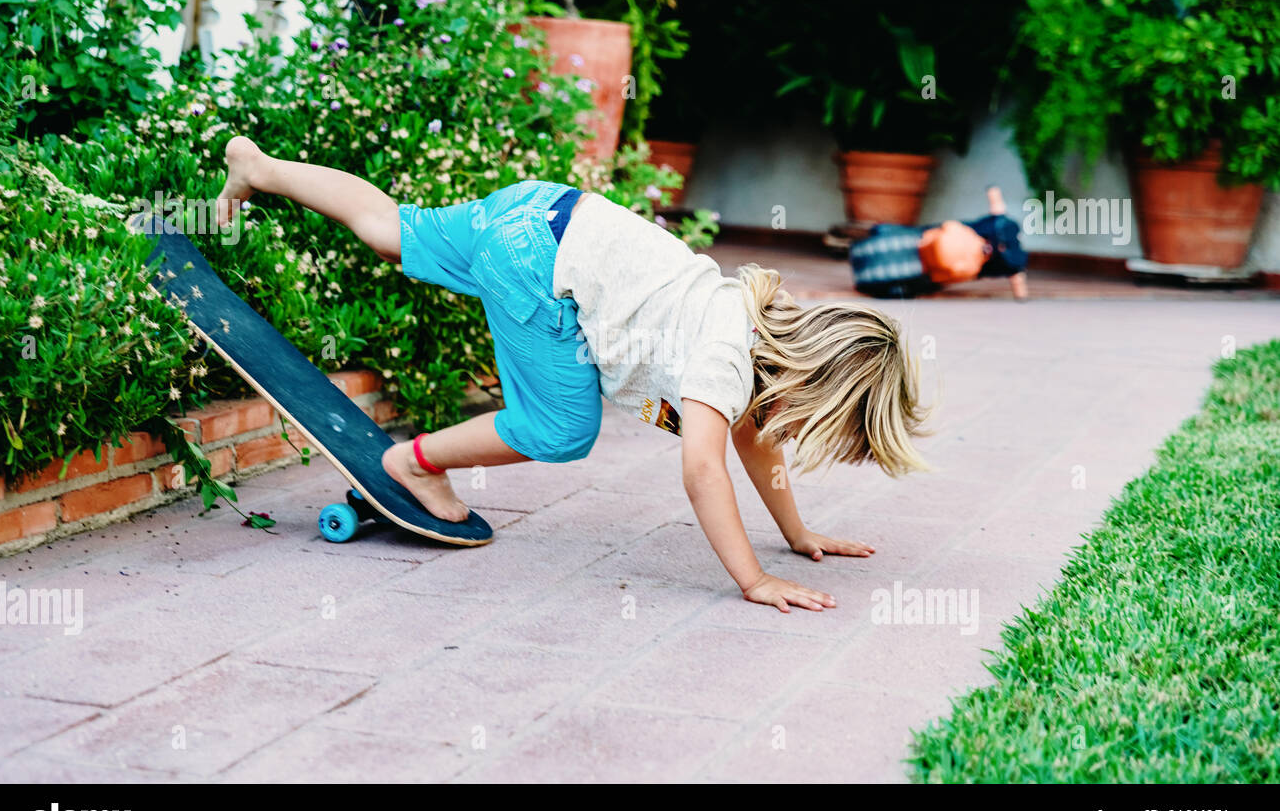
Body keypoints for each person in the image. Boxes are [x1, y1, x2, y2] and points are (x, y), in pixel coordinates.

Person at [215, 137, 929, 613]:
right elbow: (704, 468)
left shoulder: (749, 329)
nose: (807, 440)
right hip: (537, 260)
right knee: (560, 428)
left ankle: (261, 169)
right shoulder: (725, 358)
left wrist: (797, 531)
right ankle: (412, 461)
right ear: (814, 390)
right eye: (828, 432)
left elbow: (752, 438)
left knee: (388, 225)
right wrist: (755, 577)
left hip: (545, 212)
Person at [849, 187, 1029, 300]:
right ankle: (871, 286)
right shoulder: (1012, 264)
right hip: (926, 273)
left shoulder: (1000, 222)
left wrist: (993, 189)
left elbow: (995, 197)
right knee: (903, 284)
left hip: (922, 238)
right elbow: (1020, 290)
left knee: (884, 234)